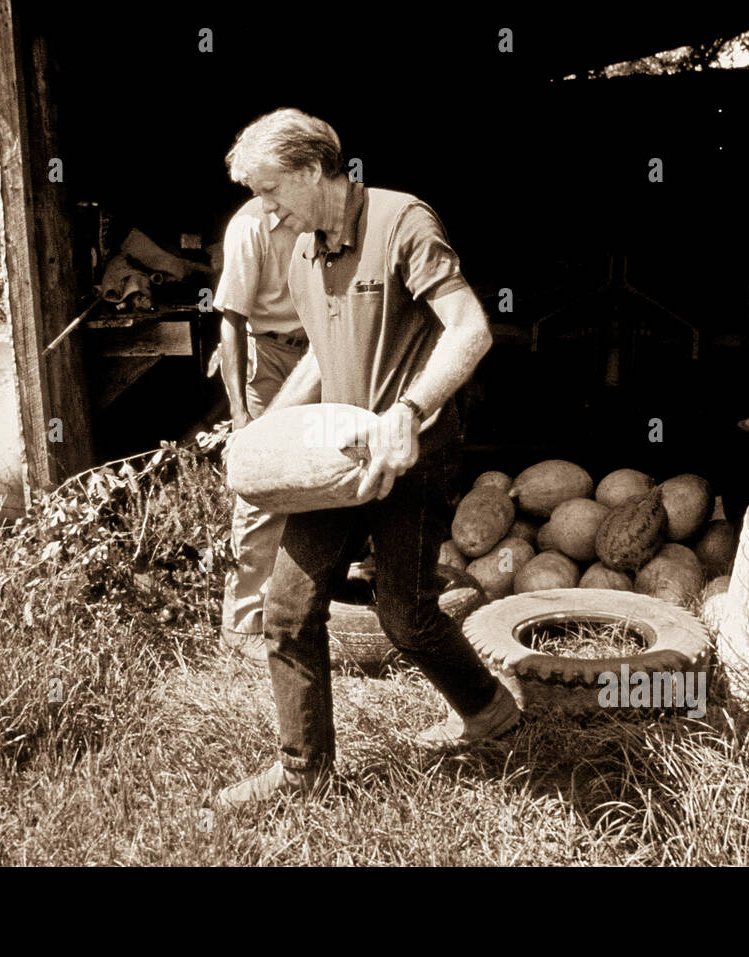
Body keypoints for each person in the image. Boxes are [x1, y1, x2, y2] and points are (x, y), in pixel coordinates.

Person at [215, 108, 520, 809]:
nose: (266, 211)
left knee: (406, 616)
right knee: (287, 606)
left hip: (416, 454)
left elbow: (470, 331)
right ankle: (304, 774)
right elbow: (323, 358)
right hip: (343, 462)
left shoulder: (403, 221)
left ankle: (492, 717)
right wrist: (264, 431)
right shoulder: (301, 252)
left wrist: (408, 413)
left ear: (314, 170)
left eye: (270, 191)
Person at [212, 196, 308, 665]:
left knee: (334, 464)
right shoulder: (250, 226)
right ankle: (244, 620)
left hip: (321, 349)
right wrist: (240, 415)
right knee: (263, 484)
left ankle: (311, 598)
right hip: (268, 354)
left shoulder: (325, 212)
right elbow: (231, 320)